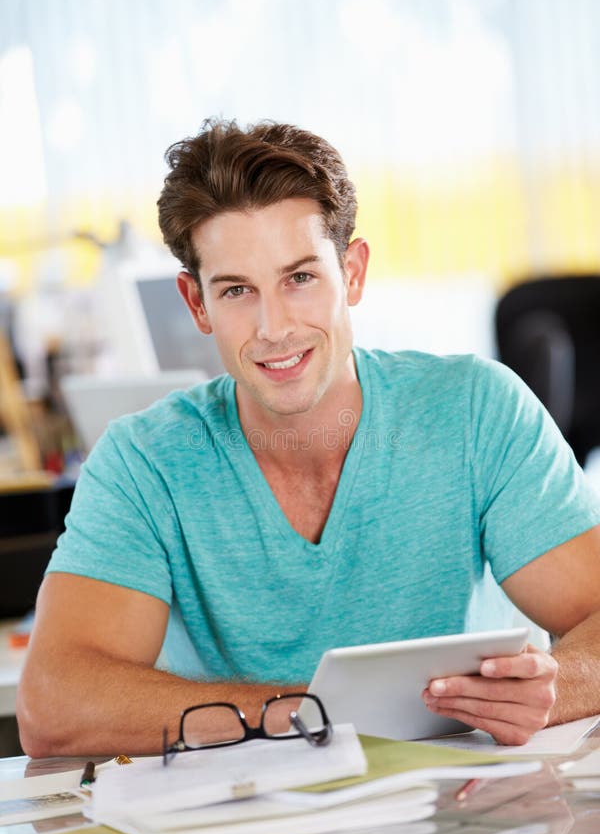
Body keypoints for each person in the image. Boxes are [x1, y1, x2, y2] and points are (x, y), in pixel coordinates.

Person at [17, 119, 600, 757]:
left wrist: (556, 686)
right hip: (247, 813)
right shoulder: (143, 462)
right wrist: (312, 713)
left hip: (464, 805)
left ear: (352, 272)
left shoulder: (475, 409)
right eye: (237, 290)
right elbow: (54, 705)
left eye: (300, 278)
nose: (274, 327)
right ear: (197, 304)